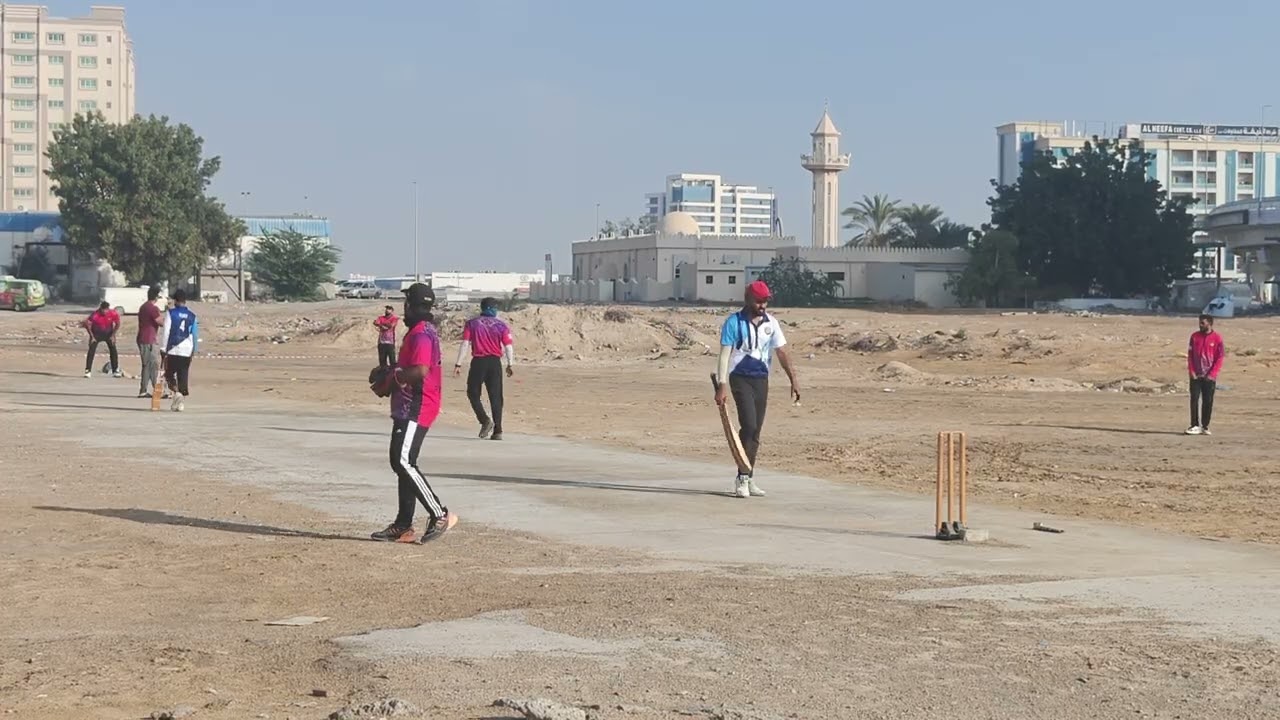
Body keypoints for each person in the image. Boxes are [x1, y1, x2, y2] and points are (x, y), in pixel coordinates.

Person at [370, 283, 458, 543]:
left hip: (416, 406)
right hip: (409, 405)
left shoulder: (420, 334)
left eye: (406, 303)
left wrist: (392, 379)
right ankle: (403, 524)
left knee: (402, 461)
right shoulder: (420, 332)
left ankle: (439, 513)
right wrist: (389, 371)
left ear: (411, 305)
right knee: (403, 464)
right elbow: (409, 366)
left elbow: (419, 371)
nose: (404, 308)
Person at [713, 280, 800, 498]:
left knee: (756, 431)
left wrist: (794, 380)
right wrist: (722, 385)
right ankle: (742, 477)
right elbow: (724, 355)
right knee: (749, 425)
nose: (763, 305)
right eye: (759, 301)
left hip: (761, 379)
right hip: (739, 378)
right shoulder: (733, 322)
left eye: (765, 301)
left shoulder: (772, 323)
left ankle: (748, 476)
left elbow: (781, 352)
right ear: (749, 299)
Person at [454, 297, 515, 440]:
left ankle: (484, 420)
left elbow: (465, 344)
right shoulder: (501, 325)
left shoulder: (472, 324)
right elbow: (508, 346)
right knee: (496, 396)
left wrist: (458, 363)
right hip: (494, 363)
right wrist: (510, 364)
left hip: (479, 362)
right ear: (491, 308)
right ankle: (498, 430)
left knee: (473, 393)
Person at [159, 289, 199, 412]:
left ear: (175, 301)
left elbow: (166, 332)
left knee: (169, 374)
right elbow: (195, 334)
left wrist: (163, 348)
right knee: (183, 375)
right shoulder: (192, 316)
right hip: (187, 349)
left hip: (173, 349)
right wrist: (194, 350)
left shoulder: (171, 313)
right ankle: (180, 403)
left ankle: (177, 395)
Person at [1186, 313, 1225, 436]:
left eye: (1203, 323)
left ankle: (1205, 426)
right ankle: (1194, 425)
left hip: (1209, 376)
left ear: (1209, 323)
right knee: (1194, 400)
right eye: (1199, 322)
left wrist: (1212, 374)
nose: (1200, 325)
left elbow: (1220, 357)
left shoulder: (1217, 338)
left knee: (1208, 401)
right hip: (1196, 375)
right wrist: (1191, 371)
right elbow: (1190, 356)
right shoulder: (1194, 337)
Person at [136, 287, 165, 398]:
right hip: (148, 340)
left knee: (148, 365)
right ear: (156, 296)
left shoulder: (143, 307)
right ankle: (154, 390)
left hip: (144, 338)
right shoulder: (152, 308)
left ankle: (146, 390)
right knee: (152, 365)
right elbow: (160, 322)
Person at [83, 301, 122, 378]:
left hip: (108, 334)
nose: (105, 311)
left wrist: (113, 335)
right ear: (100, 309)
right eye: (103, 310)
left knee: (113, 350)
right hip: (96, 334)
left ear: (108, 309)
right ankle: (88, 370)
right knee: (91, 351)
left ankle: (115, 370)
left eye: (106, 309)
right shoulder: (95, 315)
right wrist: (92, 336)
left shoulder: (113, 313)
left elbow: (117, 323)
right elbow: (87, 324)